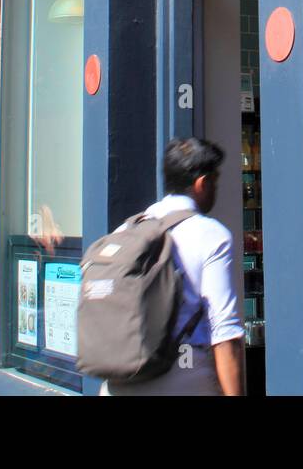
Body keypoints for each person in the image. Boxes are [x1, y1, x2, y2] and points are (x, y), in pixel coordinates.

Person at [104, 138, 245, 396]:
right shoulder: (211, 234)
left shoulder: (126, 229)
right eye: (215, 181)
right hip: (180, 380)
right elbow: (224, 334)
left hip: (117, 384)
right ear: (203, 183)